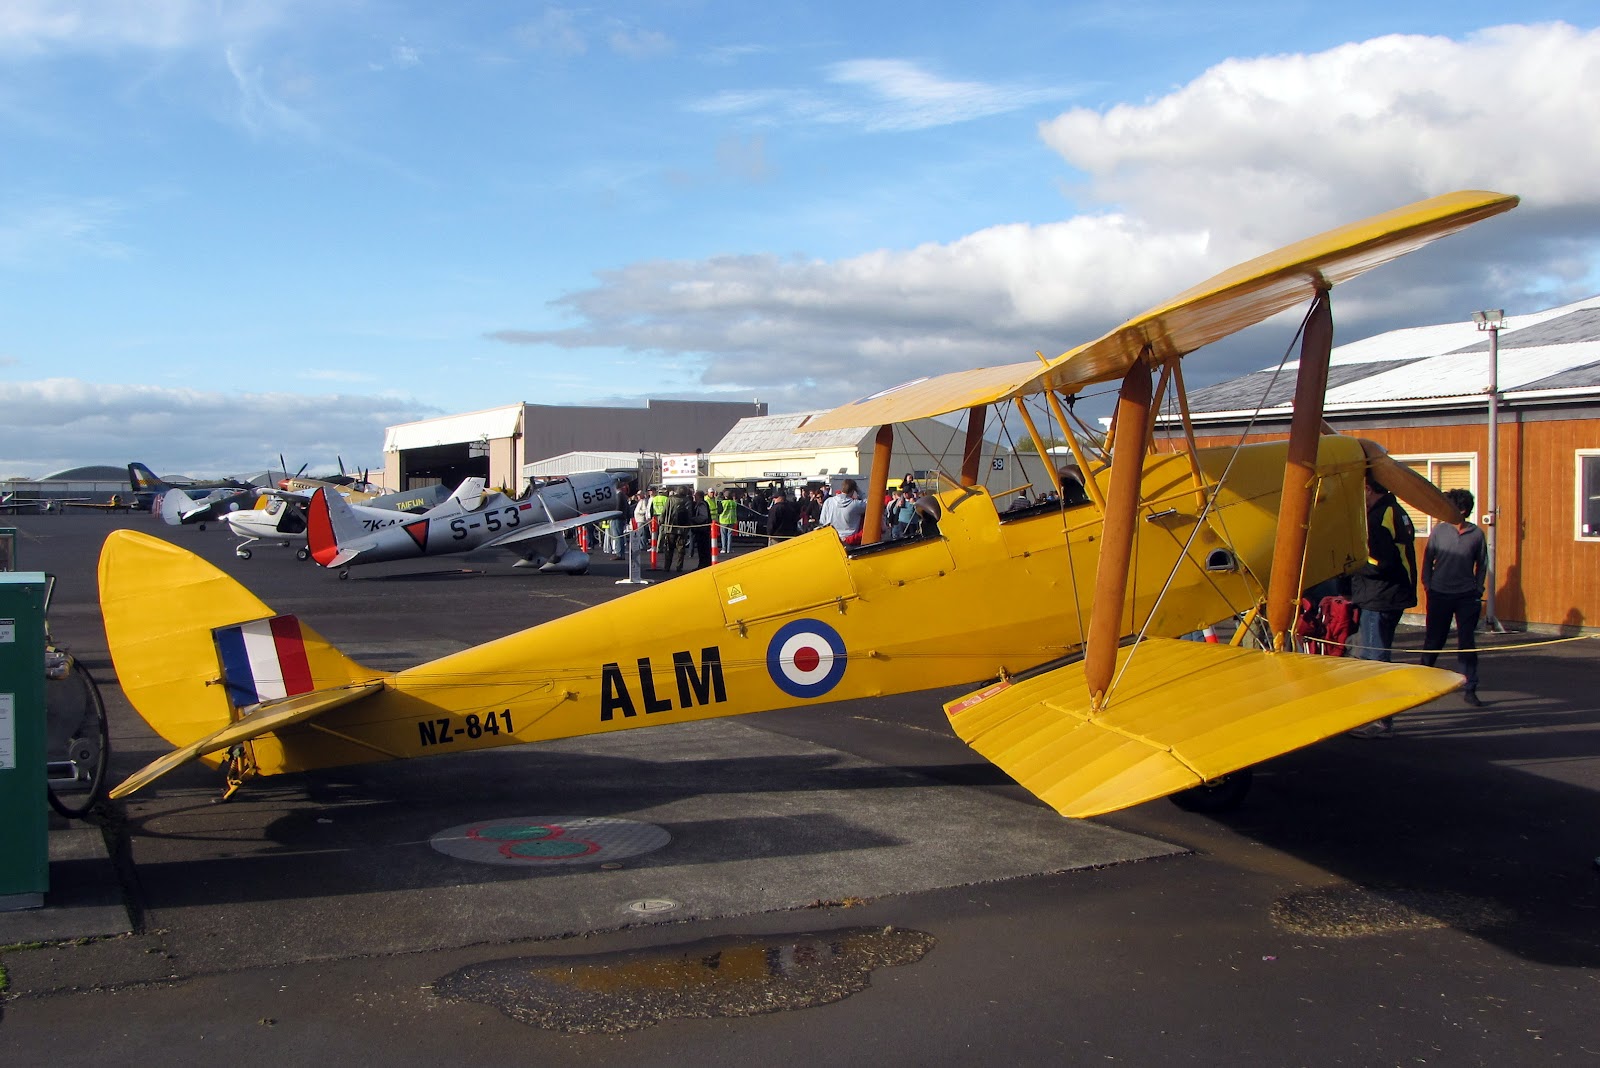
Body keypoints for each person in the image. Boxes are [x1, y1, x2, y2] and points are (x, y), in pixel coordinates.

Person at [1348, 475, 1418, 736]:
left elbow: (1380, 562)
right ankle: (1376, 716)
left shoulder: (1379, 518)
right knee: (1373, 656)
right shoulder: (1394, 510)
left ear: (1367, 489)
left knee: (1375, 659)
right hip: (1389, 594)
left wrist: (1349, 566)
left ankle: (1381, 720)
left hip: (1381, 596)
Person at [1420, 488, 1488, 706]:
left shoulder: (1476, 534)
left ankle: (1470, 688)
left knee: (1467, 643)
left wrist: (1478, 589)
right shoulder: (1439, 531)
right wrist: (1428, 585)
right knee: (1434, 640)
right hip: (1439, 594)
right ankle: (1421, 682)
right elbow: (1427, 560)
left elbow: (1482, 565)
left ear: (1462, 510)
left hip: (1466, 596)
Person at [824, 479, 866, 545]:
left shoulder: (828, 502)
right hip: (849, 541)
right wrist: (859, 491)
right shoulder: (855, 504)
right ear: (853, 490)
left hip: (832, 539)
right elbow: (869, 504)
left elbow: (822, 521)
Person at [689, 490, 714, 569]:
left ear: (698, 496)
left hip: (702, 530)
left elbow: (704, 516)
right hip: (702, 529)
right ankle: (703, 564)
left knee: (703, 549)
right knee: (702, 549)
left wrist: (693, 519)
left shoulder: (702, 504)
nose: (694, 498)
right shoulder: (701, 504)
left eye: (695, 496)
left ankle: (704, 565)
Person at [717, 491, 738, 556]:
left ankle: (724, 548)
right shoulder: (733, 503)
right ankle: (729, 549)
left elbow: (719, 511)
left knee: (723, 535)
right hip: (731, 520)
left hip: (723, 520)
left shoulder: (722, 503)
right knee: (729, 535)